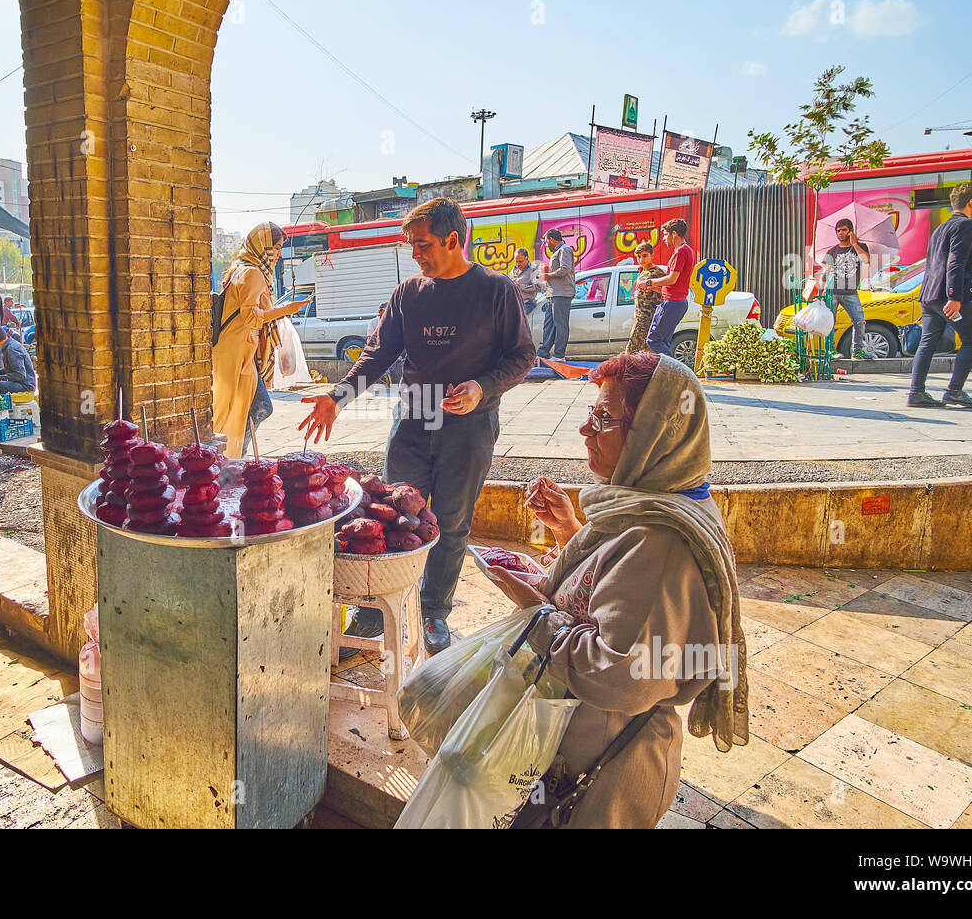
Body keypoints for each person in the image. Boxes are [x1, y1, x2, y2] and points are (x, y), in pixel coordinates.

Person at [486, 351, 748, 828]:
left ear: (654, 432)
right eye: (591, 414)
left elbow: (618, 675)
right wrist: (570, 533)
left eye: (604, 418)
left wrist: (536, 612)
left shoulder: (661, 540)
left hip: (604, 770)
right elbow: (623, 593)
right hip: (578, 740)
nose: (586, 431)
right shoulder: (656, 503)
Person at [299, 198, 536, 654]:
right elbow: (377, 355)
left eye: (423, 244)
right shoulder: (409, 293)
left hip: (470, 425)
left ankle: (433, 611)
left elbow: (523, 356)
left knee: (450, 522)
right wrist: (337, 397)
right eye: (411, 245)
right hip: (413, 417)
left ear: (453, 240)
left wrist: (482, 387)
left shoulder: (495, 290)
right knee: (388, 516)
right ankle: (372, 612)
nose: (415, 254)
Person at [212, 223, 305, 458]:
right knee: (257, 407)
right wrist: (286, 309)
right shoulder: (252, 273)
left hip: (238, 351)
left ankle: (230, 457)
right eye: (276, 247)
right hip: (236, 352)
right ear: (262, 247)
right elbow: (252, 317)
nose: (279, 253)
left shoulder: (243, 268)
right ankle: (232, 458)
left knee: (242, 408)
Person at [908, 181, 972, 408]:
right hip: (950, 297)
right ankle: (954, 391)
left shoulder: (941, 227)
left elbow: (933, 263)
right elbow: (955, 263)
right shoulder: (966, 225)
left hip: (929, 295)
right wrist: (955, 297)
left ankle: (916, 393)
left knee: (927, 342)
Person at [639, 218, 695, 358]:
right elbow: (675, 284)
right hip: (675, 301)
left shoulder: (681, 252)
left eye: (665, 234)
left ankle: (674, 371)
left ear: (674, 234)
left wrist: (649, 282)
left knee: (654, 340)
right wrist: (654, 288)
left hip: (672, 303)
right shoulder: (687, 250)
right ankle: (667, 372)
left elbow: (672, 279)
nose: (663, 238)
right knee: (663, 341)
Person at [822, 218, 874, 359]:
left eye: (844, 230)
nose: (840, 233)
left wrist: (854, 244)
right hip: (832, 292)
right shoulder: (832, 251)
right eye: (838, 231)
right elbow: (825, 272)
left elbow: (866, 260)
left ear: (851, 231)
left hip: (851, 293)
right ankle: (830, 350)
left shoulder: (860, 247)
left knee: (860, 321)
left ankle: (857, 352)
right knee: (829, 323)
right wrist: (821, 290)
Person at [537, 229, 576, 360]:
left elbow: (565, 269)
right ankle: (543, 353)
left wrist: (548, 275)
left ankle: (559, 355)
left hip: (562, 294)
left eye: (546, 241)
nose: (546, 244)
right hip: (552, 294)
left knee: (560, 325)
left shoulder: (565, 249)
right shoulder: (557, 251)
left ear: (552, 239)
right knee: (549, 325)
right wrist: (545, 273)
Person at [625, 242, 667, 354]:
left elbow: (667, 291)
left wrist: (652, 287)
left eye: (645, 256)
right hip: (640, 316)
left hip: (650, 317)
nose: (641, 259)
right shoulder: (643, 271)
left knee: (634, 350)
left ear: (652, 255)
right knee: (639, 350)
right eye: (639, 256)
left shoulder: (657, 272)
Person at [0, 323, 36, 395]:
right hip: (19, 381)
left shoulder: (12, 349)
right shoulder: (8, 345)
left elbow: (20, 375)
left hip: (26, 385)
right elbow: (11, 370)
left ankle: (0, 403)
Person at [509, 248, 542, 316]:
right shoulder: (514, 269)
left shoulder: (534, 269)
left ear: (527, 259)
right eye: (516, 261)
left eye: (520, 261)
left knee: (517, 320)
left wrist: (520, 286)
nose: (518, 264)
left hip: (527, 303)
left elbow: (538, 288)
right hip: (513, 303)